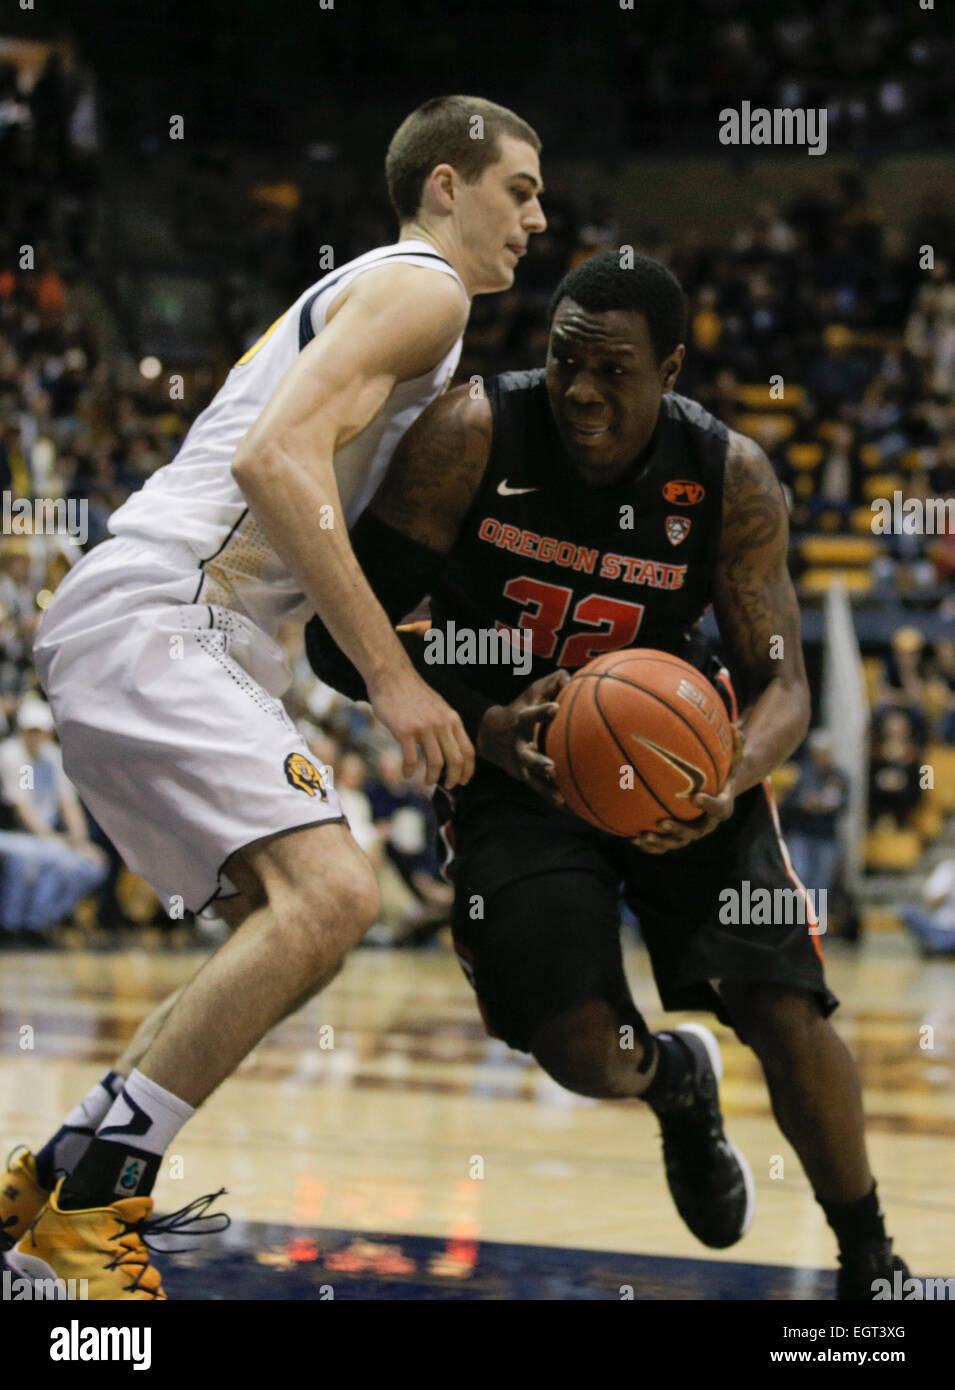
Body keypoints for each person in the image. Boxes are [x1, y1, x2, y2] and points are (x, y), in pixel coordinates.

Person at [3, 95, 546, 1299]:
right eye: (519, 188)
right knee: (335, 896)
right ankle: (90, 1215)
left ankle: (53, 1178)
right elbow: (273, 460)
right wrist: (396, 683)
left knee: (286, 917)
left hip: (160, 618)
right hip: (171, 609)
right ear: (445, 186)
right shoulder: (427, 289)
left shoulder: (388, 298)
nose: (538, 217)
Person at [305, 250, 909, 1300]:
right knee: (581, 1047)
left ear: (669, 369)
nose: (580, 389)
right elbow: (336, 643)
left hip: (680, 760)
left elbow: (784, 692)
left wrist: (726, 777)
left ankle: (869, 1256)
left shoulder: (727, 475)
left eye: (612, 370)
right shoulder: (472, 434)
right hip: (512, 765)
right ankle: (674, 1082)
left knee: (784, 1004)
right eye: (563, 361)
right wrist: (489, 729)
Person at [0, 695, 107, 935]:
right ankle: (14, 925)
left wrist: (80, 842)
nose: (34, 737)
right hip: (13, 834)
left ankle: (41, 921)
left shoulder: (53, 756)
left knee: (91, 866)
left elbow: (68, 804)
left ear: (48, 733)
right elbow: (22, 809)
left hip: (46, 838)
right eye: (29, 731)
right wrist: (56, 840)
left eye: (39, 731)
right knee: (37, 859)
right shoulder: (9, 755)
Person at [782, 730, 849, 898]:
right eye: (819, 754)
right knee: (799, 877)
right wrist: (803, 803)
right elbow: (786, 804)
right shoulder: (801, 775)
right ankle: (796, 918)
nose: (823, 757)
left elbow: (846, 804)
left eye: (826, 753)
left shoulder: (839, 777)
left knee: (821, 883)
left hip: (826, 836)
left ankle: (816, 921)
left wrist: (831, 805)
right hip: (802, 834)